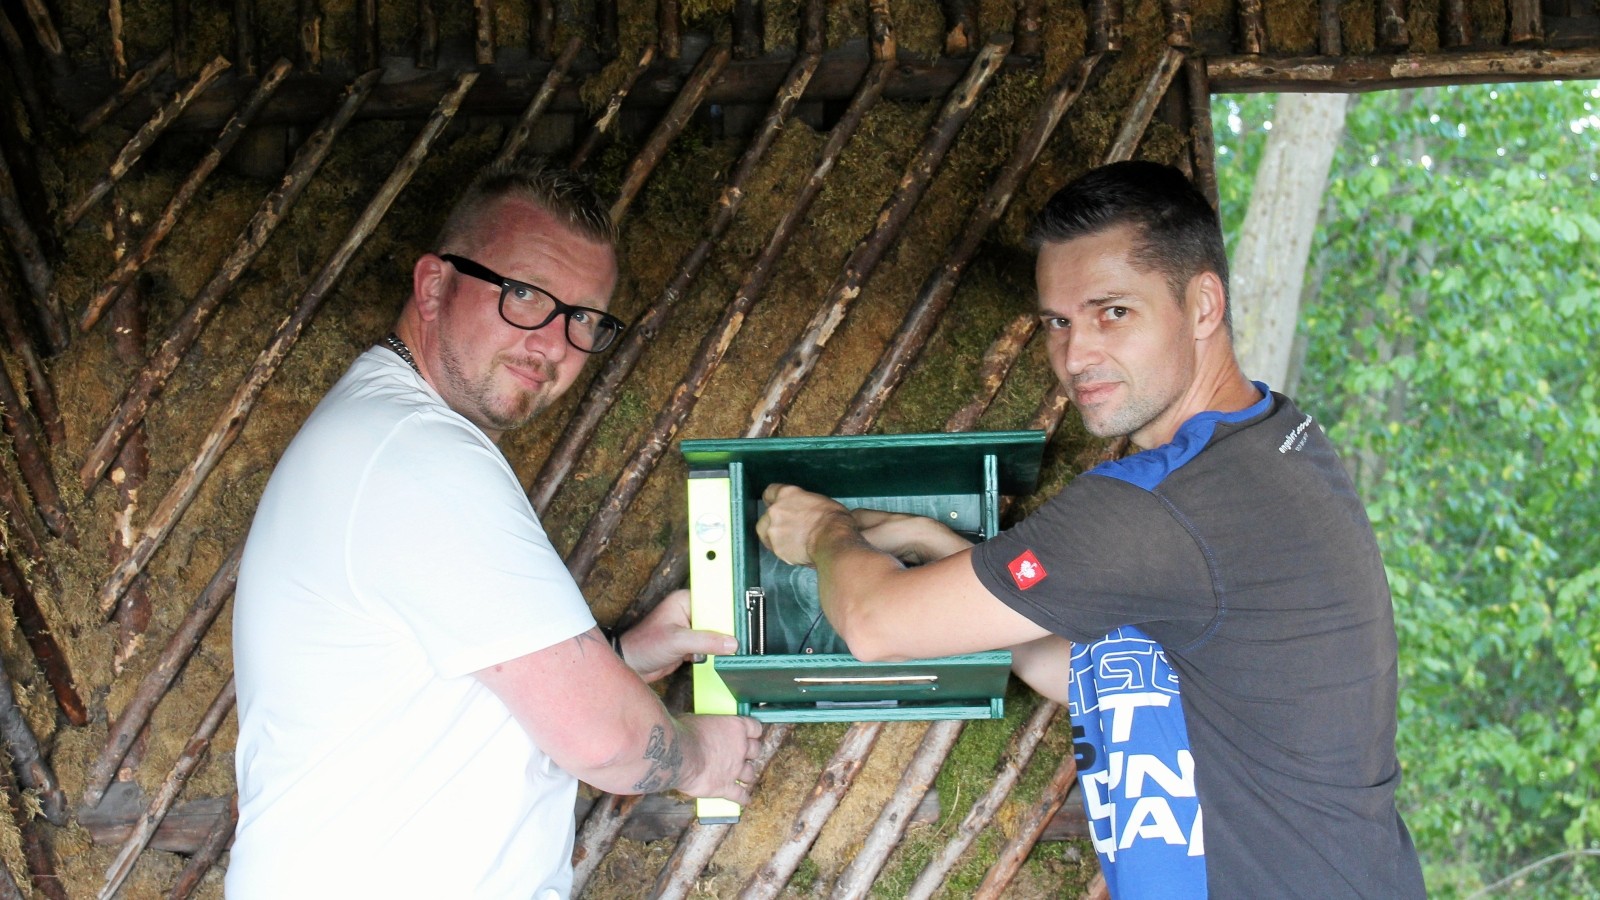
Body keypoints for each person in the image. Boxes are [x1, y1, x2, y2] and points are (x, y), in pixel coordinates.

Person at [757, 161, 1426, 898]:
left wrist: (823, 531)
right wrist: (934, 543)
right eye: (1058, 321)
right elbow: (1104, 684)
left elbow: (874, 623)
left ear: (1203, 304)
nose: (1076, 357)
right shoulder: (1275, 438)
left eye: (1113, 312)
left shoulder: (1160, 503)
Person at [229, 160, 763, 899]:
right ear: (433, 286)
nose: (552, 344)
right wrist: (704, 757)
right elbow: (604, 742)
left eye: (583, 319)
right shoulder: (415, 454)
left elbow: (459, 683)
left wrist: (622, 657)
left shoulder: (382, 437)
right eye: (524, 296)